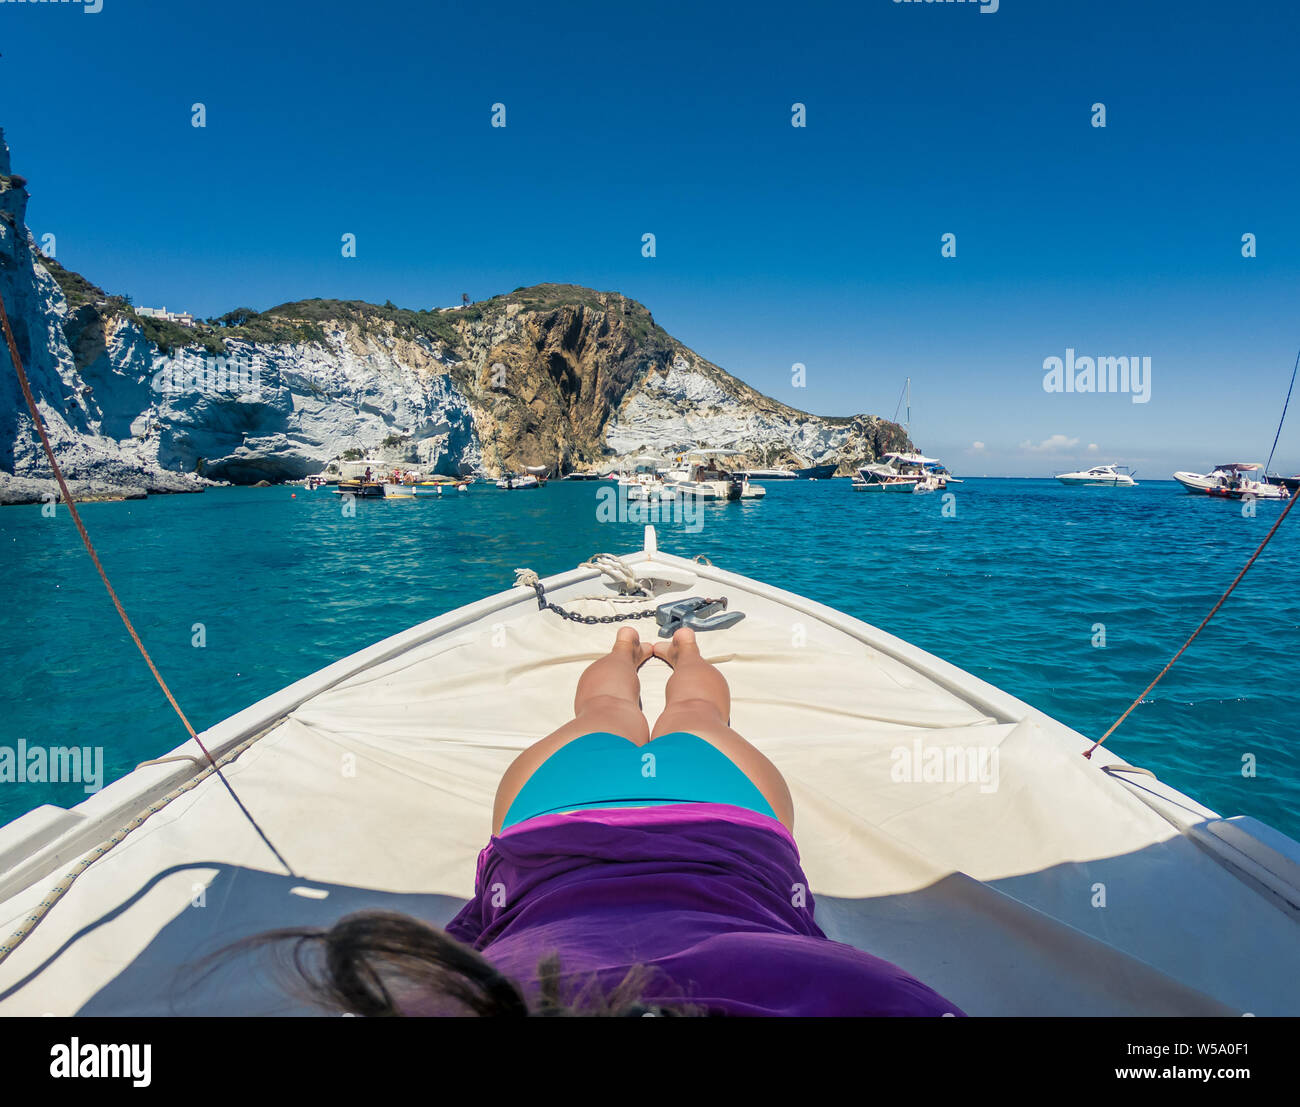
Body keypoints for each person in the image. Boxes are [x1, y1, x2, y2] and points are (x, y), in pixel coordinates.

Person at [239, 628, 962, 1017]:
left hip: (724, 825)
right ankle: (676, 648)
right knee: (636, 716)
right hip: (556, 825)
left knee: (670, 716)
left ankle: (640, 647)